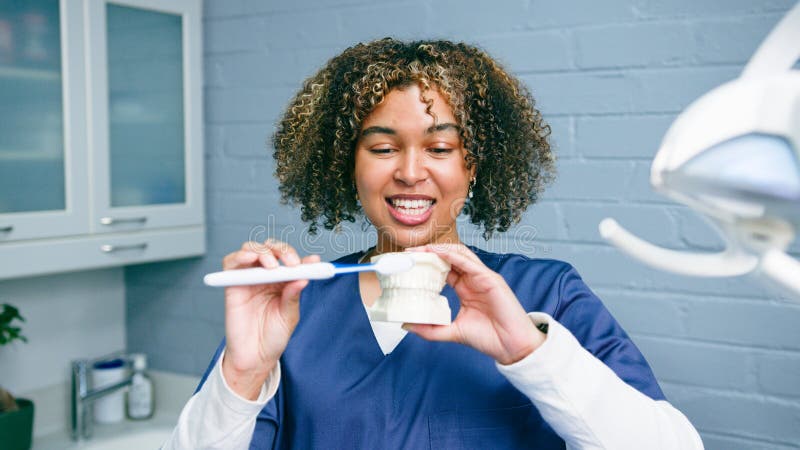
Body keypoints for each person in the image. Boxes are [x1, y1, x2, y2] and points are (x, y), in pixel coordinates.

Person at [165, 38, 704, 449]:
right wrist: (242, 373)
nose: (409, 171)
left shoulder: (547, 295)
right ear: (348, 167)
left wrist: (529, 353)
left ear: (472, 166)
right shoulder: (291, 307)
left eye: (440, 147)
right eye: (382, 148)